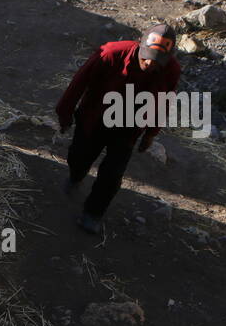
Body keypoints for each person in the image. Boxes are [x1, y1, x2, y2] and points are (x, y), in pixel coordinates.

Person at [56, 24, 182, 234]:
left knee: (112, 174)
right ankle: (76, 175)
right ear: (140, 46)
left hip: (129, 126)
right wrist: (65, 113)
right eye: (146, 58)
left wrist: (151, 133)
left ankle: (93, 213)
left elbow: (163, 101)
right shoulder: (111, 53)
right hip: (94, 117)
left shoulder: (171, 70)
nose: (150, 64)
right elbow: (79, 82)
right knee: (79, 156)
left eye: (157, 61)